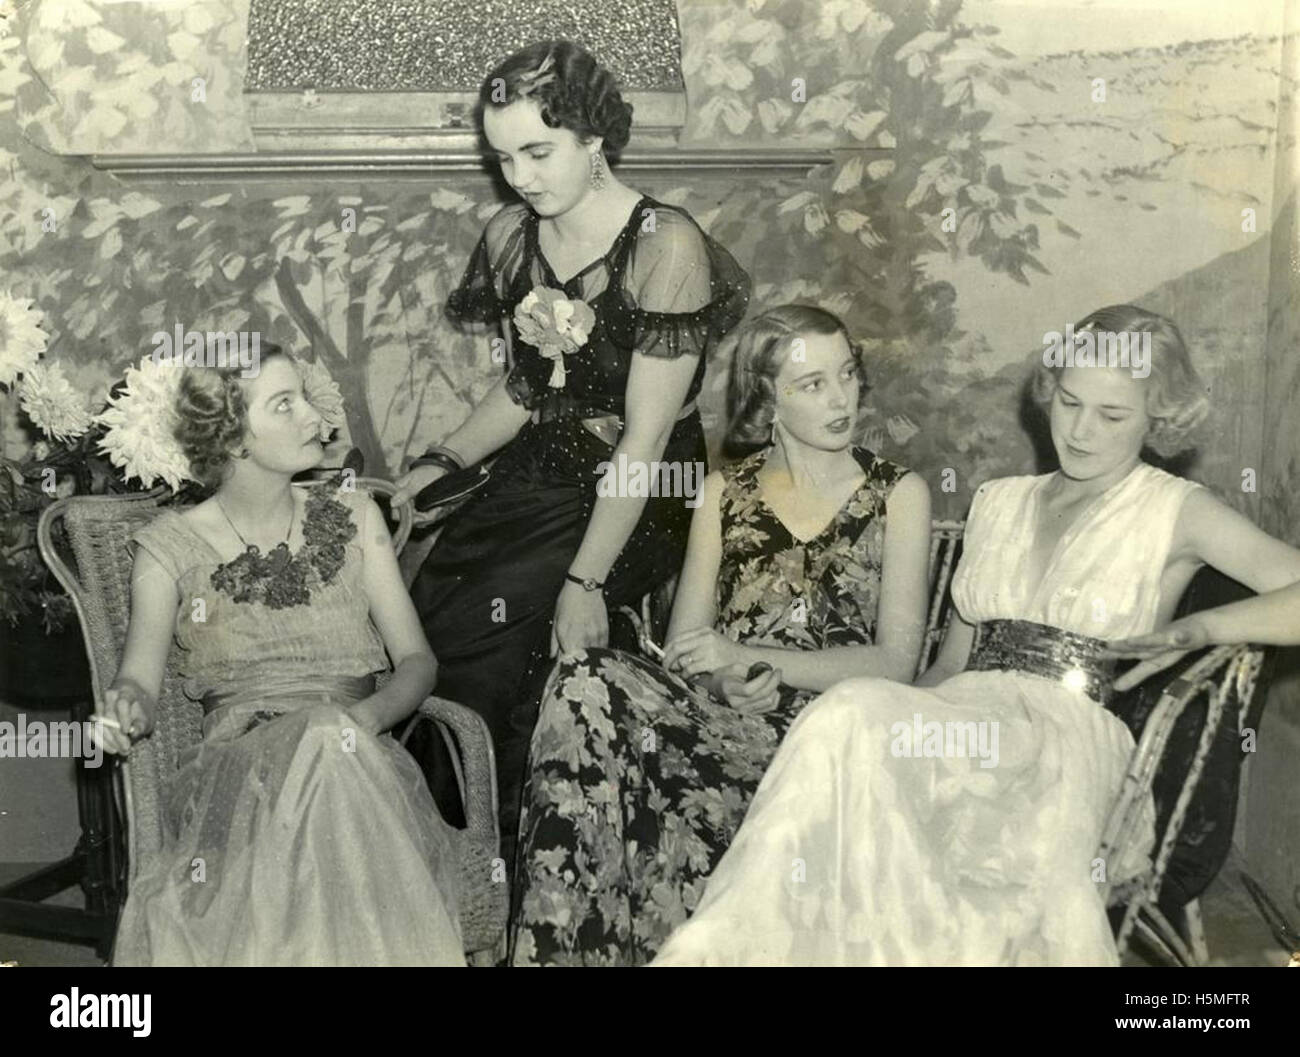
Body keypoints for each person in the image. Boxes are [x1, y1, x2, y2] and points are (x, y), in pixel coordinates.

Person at [650, 304, 1300, 966]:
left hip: (1066, 738)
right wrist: (895, 718)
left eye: (1112, 415)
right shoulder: (1000, 500)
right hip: (965, 722)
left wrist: (1206, 626)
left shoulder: (1175, 508)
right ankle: (717, 950)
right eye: (1070, 402)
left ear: (1156, 416)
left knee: (986, 874)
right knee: (849, 711)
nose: (1081, 430)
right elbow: (947, 668)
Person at [391, 39, 750, 872]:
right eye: (503, 155)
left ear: (596, 140)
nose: (518, 176)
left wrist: (584, 582)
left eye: (537, 152)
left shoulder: (666, 243)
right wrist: (438, 464)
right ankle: (437, 870)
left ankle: (521, 878)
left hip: (645, 485)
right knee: (437, 611)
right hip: (544, 465)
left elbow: (648, 437)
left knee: (513, 641)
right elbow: (522, 391)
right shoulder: (513, 235)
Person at [508, 305, 932, 965]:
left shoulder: (897, 495)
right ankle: (565, 951)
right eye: (812, 384)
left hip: (837, 739)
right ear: (766, 399)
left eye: (846, 374)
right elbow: (686, 653)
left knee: (610, 709)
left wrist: (749, 657)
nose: (841, 396)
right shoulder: (722, 493)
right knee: (584, 677)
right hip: (721, 722)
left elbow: (898, 662)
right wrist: (725, 680)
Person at [100, 348, 464, 966]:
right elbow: (138, 679)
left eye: (303, 396)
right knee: (321, 750)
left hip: (355, 756)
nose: (313, 418)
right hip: (237, 773)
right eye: (284, 404)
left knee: (326, 745)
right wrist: (124, 708)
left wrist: (361, 725)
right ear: (235, 438)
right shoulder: (167, 547)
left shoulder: (354, 517)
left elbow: (417, 663)